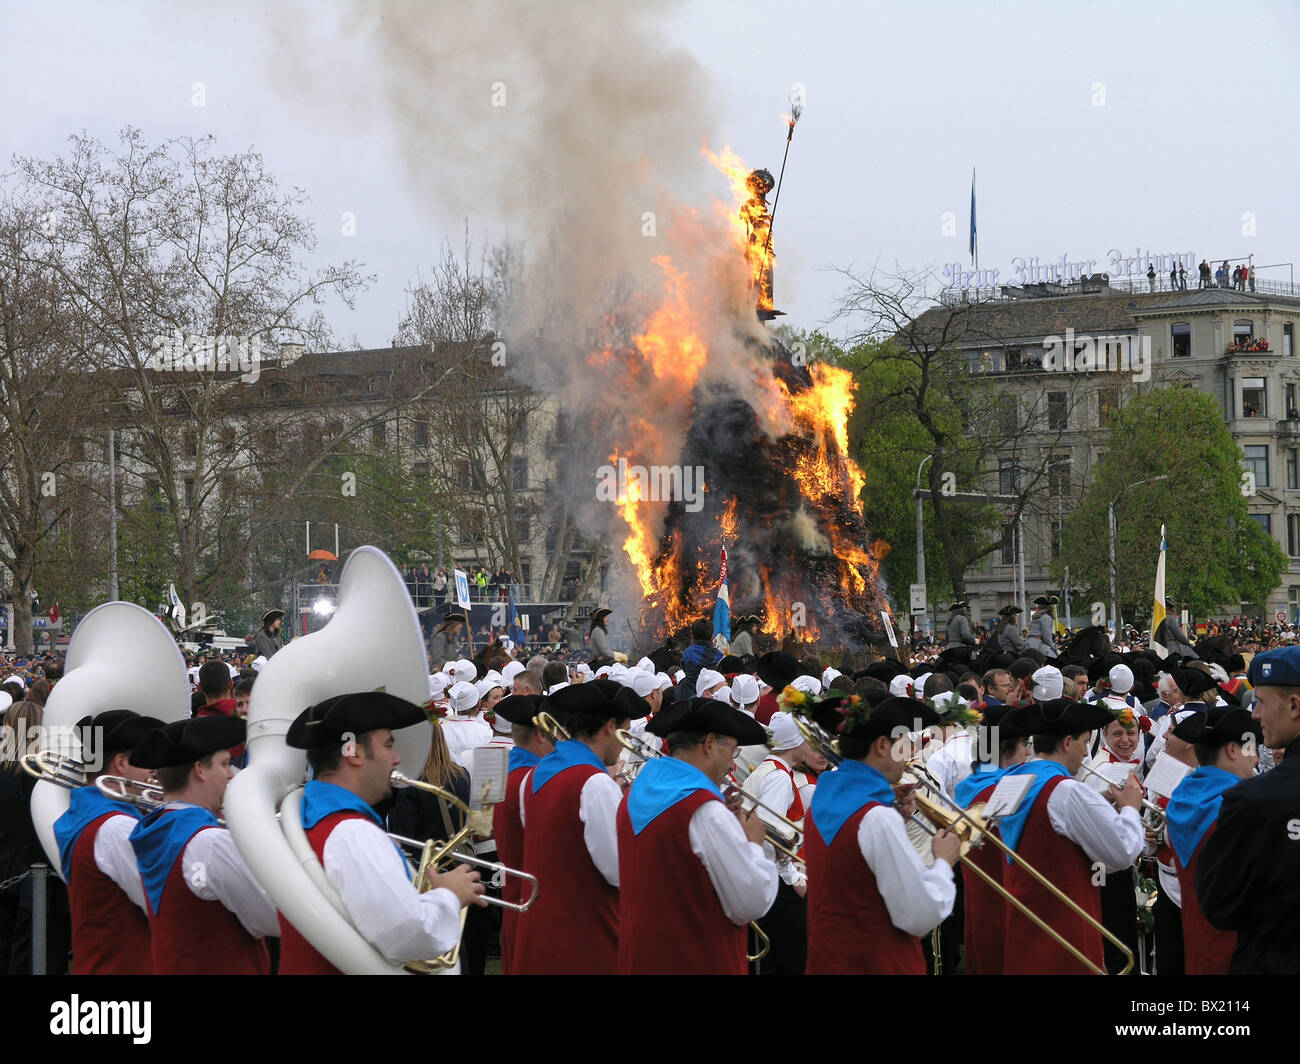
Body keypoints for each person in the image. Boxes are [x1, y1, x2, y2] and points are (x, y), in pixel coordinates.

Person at [278, 692, 486, 974]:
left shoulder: (308, 816)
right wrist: (449, 895)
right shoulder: (352, 833)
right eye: (388, 745)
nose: (397, 758)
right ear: (353, 751)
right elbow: (408, 934)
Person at [798, 694, 959, 973]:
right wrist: (944, 862)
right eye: (903, 743)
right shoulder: (876, 819)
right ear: (883, 745)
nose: (908, 754)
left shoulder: (823, 799)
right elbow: (919, 915)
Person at [617, 696, 777, 974]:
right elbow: (751, 901)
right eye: (732, 751)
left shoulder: (634, 793)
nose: (731, 765)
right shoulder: (705, 812)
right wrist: (753, 844)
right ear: (709, 744)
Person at [997, 698, 1145, 974]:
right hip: (1065, 932)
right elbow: (1122, 853)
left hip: (1026, 923)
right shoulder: (1067, 791)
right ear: (1067, 743)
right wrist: (1130, 809)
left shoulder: (1015, 779)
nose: (1086, 753)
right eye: (1084, 742)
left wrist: (1096, 804)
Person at [128, 717, 280, 974]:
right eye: (223, 764)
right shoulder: (210, 843)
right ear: (200, 770)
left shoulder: (158, 829)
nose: (231, 773)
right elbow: (276, 915)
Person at [512, 680, 642, 975]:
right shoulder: (595, 783)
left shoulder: (532, 776)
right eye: (626, 731)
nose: (626, 741)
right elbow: (622, 872)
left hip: (540, 936)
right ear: (610, 726)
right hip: (586, 941)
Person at [1195, 646, 1300, 973]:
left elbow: (1219, 905)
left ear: (1294, 706)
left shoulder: (1254, 801)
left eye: (1261, 703)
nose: (1254, 714)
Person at [52, 711, 163, 975]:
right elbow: (164, 904)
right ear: (121, 763)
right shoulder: (117, 827)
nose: (155, 771)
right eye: (148, 761)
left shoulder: (87, 814)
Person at [1166, 706, 1260, 975]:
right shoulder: (1240, 810)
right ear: (1233, 750)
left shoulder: (1181, 799)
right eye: (1251, 749)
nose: (1255, 761)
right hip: (1240, 957)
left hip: (1199, 952)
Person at [953, 703, 1029, 974]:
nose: (1028, 752)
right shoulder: (1003, 790)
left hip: (979, 897)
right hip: (1005, 901)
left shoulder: (970, 783)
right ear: (1007, 749)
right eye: (1024, 745)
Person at [743, 710, 813, 974]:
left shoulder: (771, 770)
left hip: (774, 879)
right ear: (795, 743)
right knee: (791, 961)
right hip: (779, 885)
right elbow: (769, 834)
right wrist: (793, 878)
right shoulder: (779, 777)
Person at [490, 694, 553, 974]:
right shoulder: (533, 779)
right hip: (534, 899)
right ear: (541, 734)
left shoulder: (500, 769)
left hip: (511, 890)